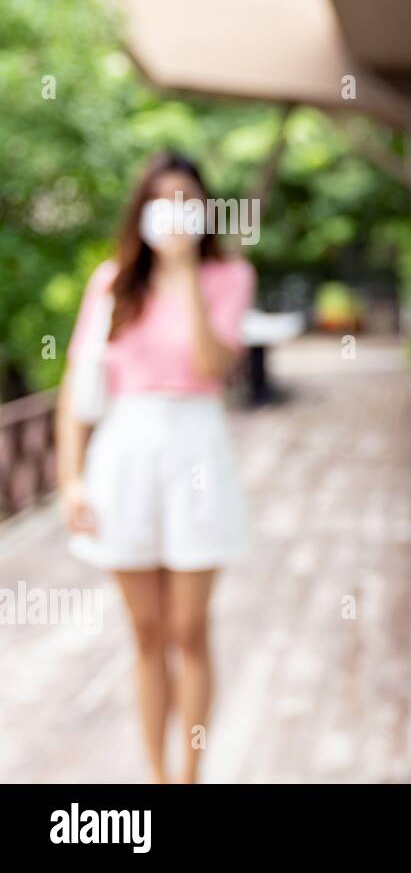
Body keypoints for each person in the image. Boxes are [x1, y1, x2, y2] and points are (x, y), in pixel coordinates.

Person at [56, 151, 256, 784]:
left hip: (196, 447)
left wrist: (185, 271)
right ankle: (156, 777)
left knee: (188, 631)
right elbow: (78, 388)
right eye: (161, 198)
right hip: (125, 453)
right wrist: (70, 479)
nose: (174, 211)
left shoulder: (228, 277)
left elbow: (211, 366)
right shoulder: (112, 283)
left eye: (187, 198)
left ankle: (191, 776)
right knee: (145, 636)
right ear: (141, 209)